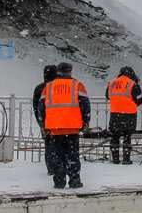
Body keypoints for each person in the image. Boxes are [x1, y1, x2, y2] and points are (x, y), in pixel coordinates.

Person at [42, 61, 90, 189]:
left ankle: (59, 182)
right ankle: (75, 180)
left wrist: (43, 124)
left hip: (54, 128)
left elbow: (41, 107)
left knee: (57, 157)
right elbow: (85, 105)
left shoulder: (48, 87)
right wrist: (86, 121)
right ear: (70, 72)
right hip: (72, 127)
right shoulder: (77, 85)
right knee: (73, 155)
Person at [106, 66, 142, 164]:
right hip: (129, 115)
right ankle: (126, 159)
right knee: (127, 137)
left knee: (115, 137)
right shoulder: (133, 84)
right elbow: (140, 99)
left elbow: (107, 96)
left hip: (114, 115)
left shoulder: (112, 83)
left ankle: (115, 158)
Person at [32, 64, 58, 175]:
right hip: (58, 121)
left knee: (49, 146)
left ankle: (51, 168)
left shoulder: (39, 88)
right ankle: (60, 166)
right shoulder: (56, 87)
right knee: (60, 146)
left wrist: (40, 122)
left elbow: (36, 107)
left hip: (46, 121)